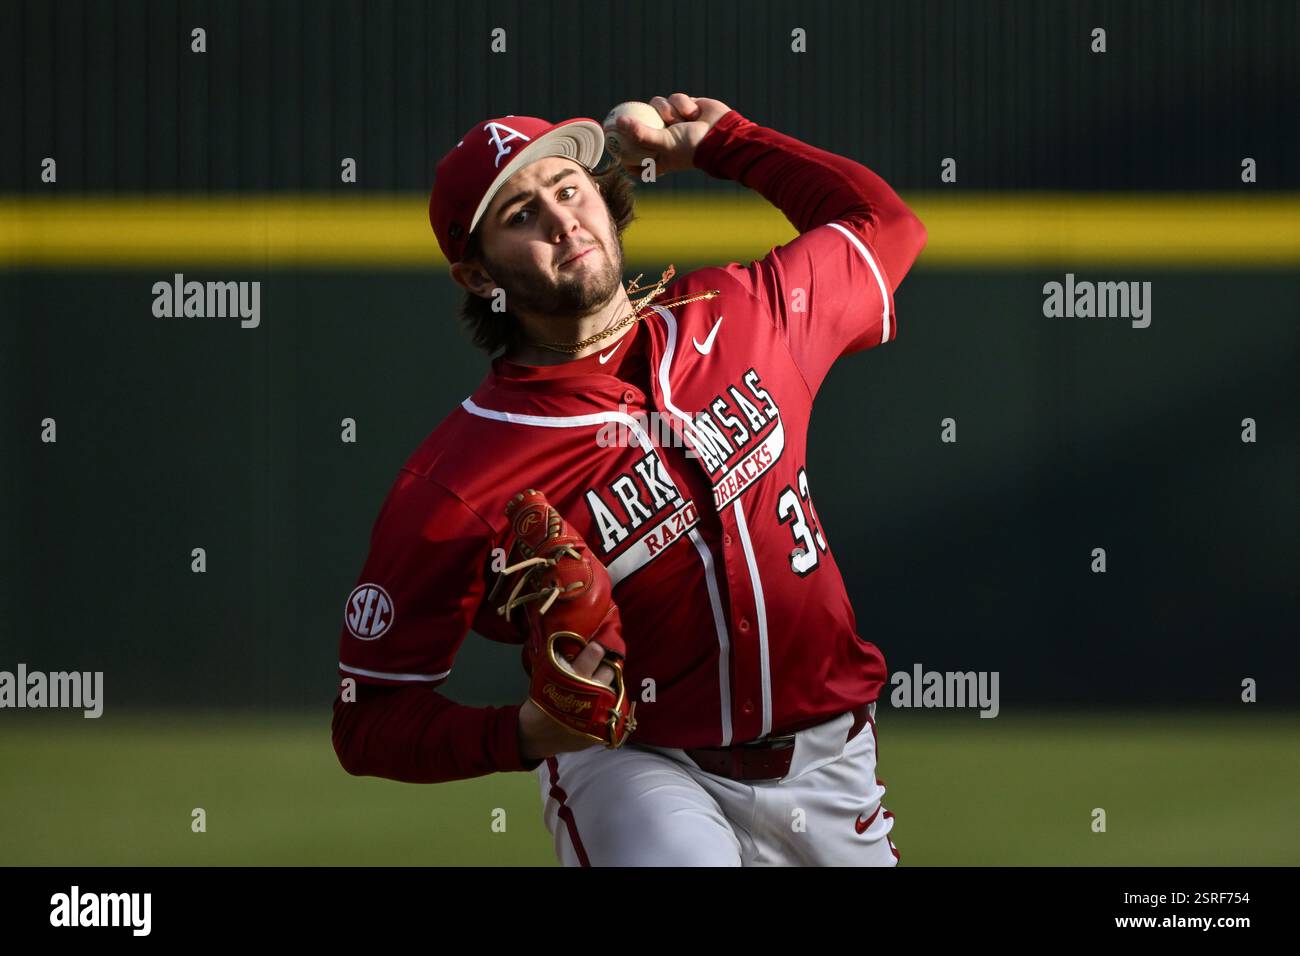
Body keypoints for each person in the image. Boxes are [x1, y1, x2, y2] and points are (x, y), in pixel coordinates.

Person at [332, 93, 927, 866]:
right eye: (520, 214)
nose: (560, 218)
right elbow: (367, 719)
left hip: (829, 762)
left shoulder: (745, 312)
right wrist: (516, 734)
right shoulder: (461, 477)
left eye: (568, 187)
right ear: (478, 277)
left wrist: (725, 143)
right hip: (637, 764)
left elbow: (885, 225)